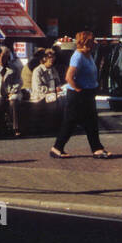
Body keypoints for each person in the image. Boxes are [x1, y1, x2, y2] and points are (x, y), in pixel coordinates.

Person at [50, 31, 110, 159]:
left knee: (91, 122)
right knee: (70, 121)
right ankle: (57, 148)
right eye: (92, 40)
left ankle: (97, 148)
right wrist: (78, 90)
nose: (95, 43)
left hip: (88, 93)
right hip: (79, 95)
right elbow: (69, 77)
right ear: (86, 42)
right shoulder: (78, 56)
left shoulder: (88, 55)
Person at [0, 44, 23, 137]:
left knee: (13, 102)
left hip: (12, 92)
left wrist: (13, 91)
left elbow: (19, 81)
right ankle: (2, 127)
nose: (2, 59)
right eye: (1, 56)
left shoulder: (14, 67)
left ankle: (16, 128)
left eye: (5, 57)